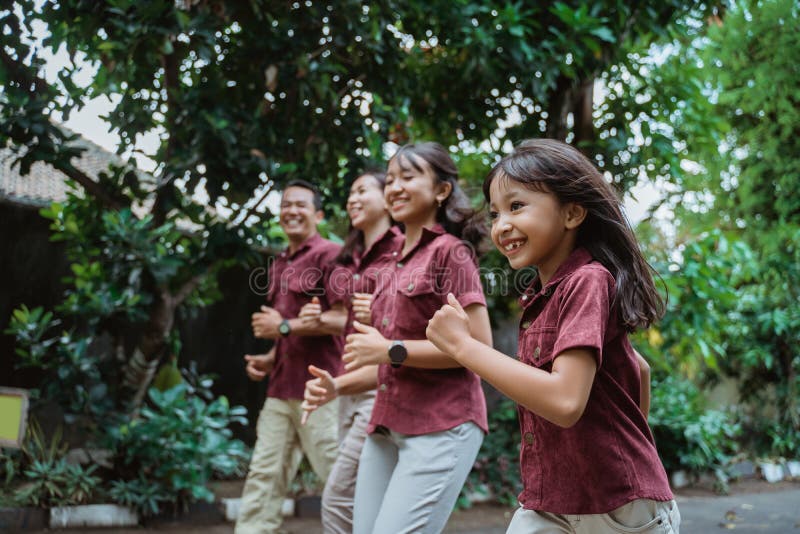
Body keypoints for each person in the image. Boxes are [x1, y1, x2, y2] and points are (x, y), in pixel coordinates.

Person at [426, 138, 679, 534]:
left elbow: (564, 401)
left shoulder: (587, 280)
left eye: (516, 206)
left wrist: (463, 346)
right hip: (553, 502)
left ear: (573, 213)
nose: (501, 225)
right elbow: (638, 369)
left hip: (618, 511)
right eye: (495, 214)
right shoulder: (546, 297)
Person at [338, 142, 492, 534]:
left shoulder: (451, 253)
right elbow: (395, 366)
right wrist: (336, 386)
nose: (395, 187)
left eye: (408, 176)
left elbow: (478, 348)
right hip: (387, 424)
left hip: (443, 423)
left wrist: (389, 349)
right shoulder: (388, 265)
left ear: (441, 190)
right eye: (390, 180)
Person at [236, 180, 348, 534]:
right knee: (263, 475)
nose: (291, 211)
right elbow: (290, 330)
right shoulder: (280, 261)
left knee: (337, 476)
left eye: (300, 205)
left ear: (318, 214)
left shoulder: (332, 255)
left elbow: (344, 318)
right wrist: (271, 357)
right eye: (286, 205)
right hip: (281, 387)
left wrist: (283, 327)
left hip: (322, 389)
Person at [299, 170, 401, 534]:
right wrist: (317, 316)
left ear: (388, 197)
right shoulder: (351, 258)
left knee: (339, 498)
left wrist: (380, 311)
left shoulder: (403, 249)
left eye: (362, 191)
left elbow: (411, 326)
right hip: (349, 386)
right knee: (363, 499)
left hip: (380, 386)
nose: (352, 199)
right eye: (350, 194)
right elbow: (343, 319)